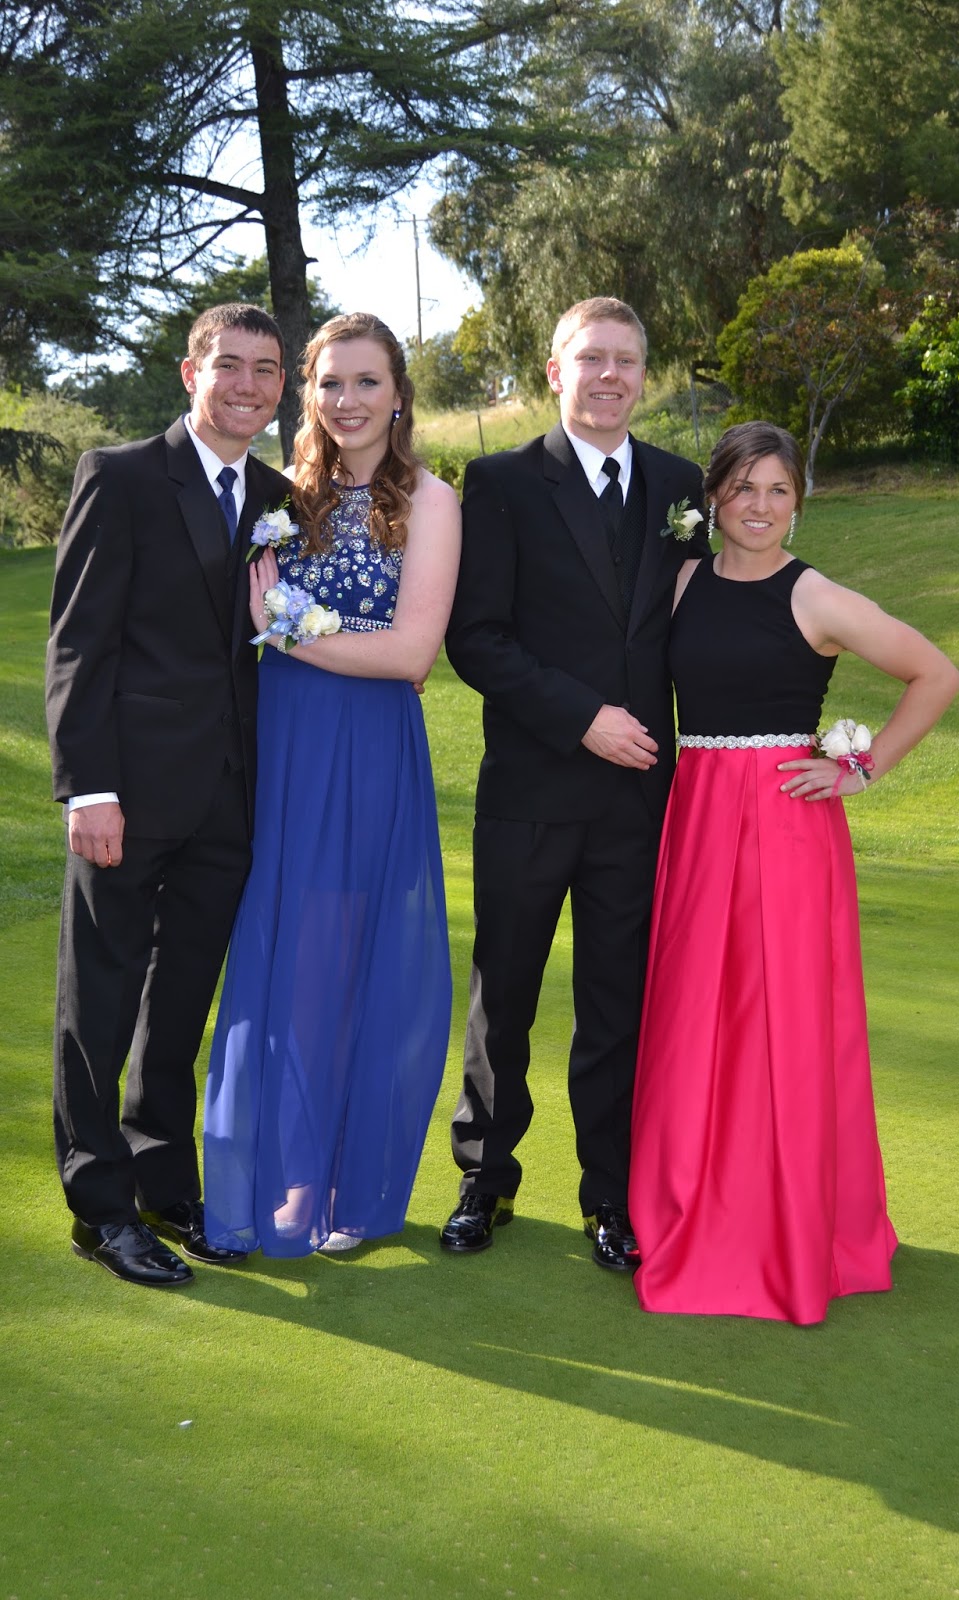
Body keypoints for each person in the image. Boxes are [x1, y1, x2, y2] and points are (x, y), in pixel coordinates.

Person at [628, 420, 959, 1324]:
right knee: (696, 1013)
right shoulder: (683, 581)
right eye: (744, 488)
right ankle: (693, 1205)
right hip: (698, 817)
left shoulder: (816, 596)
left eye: (779, 490)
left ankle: (797, 1222)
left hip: (785, 826)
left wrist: (860, 768)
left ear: (798, 504)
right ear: (714, 497)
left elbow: (936, 674)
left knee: (785, 1019)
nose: (760, 506)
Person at [440, 296, 708, 1270]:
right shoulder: (501, 483)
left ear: (644, 375)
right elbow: (476, 637)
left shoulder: (680, 485)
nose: (609, 376)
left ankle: (611, 1195)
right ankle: (485, 1178)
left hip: (638, 800)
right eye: (591, 358)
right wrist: (581, 717)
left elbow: (698, 622)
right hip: (530, 787)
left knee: (617, 1003)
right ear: (555, 371)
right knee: (503, 994)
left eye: (625, 360)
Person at [202, 312, 460, 1257]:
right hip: (277, 747)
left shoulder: (431, 501)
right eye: (329, 383)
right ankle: (270, 1173)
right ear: (307, 395)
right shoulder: (279, 496)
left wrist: (289, 629)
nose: (346, 401)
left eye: (366, 382)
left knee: (343, 969)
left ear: (398, 395)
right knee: (278, 963)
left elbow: (411, 653)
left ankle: (337, 1186)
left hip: (362, 753)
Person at [46, 303, 290, 1287]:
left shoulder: (277, 494)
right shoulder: (121, 475)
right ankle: (99, 1206)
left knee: (180, 997)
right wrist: (89, 788)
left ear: (280, 387)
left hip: (229, 799)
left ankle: (160, 1179)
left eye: (265, 370)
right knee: (100, 999)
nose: (247, 385)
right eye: (229, 365)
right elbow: (78, 642)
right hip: (130, 791)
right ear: (192, 373)